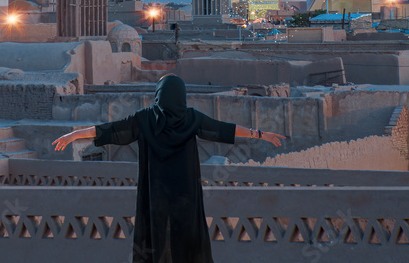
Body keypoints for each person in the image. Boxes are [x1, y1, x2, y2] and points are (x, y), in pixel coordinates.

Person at [52, 74, 285, 263]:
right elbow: (224, 129)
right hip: (186, 193)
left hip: (156, 193)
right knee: (187, 237)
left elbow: (110, 129)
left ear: (159, 95)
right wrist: (259, 134)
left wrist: (75, 135)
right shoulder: (191, 118)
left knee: (156, 238)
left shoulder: (144, 118)